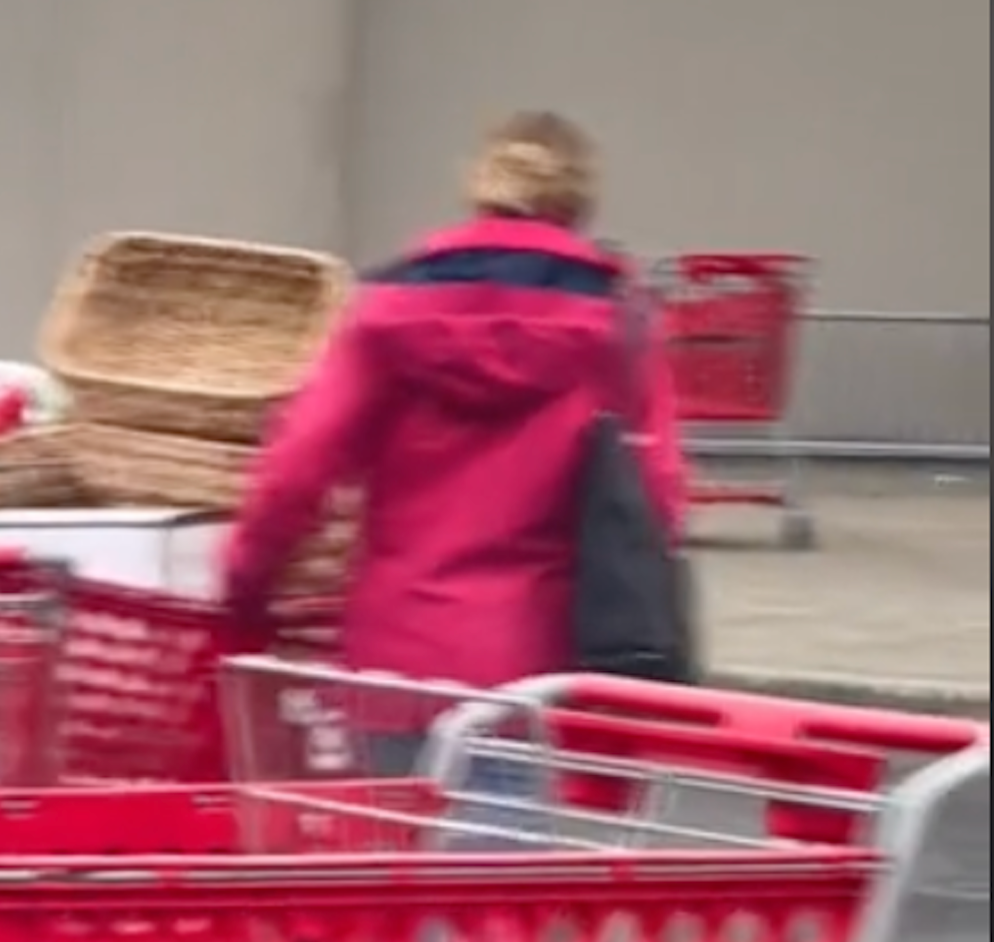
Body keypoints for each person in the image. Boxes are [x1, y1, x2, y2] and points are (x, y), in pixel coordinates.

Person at [221, 111, 689, 792]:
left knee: (393, 867)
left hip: (394, 657)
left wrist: (246, 581)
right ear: (580, 204)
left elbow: (298, 466)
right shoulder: (621, 325)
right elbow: (658, 497)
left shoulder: (388, 307)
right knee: (497, 883)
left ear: (479, 186)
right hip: (536, 666)